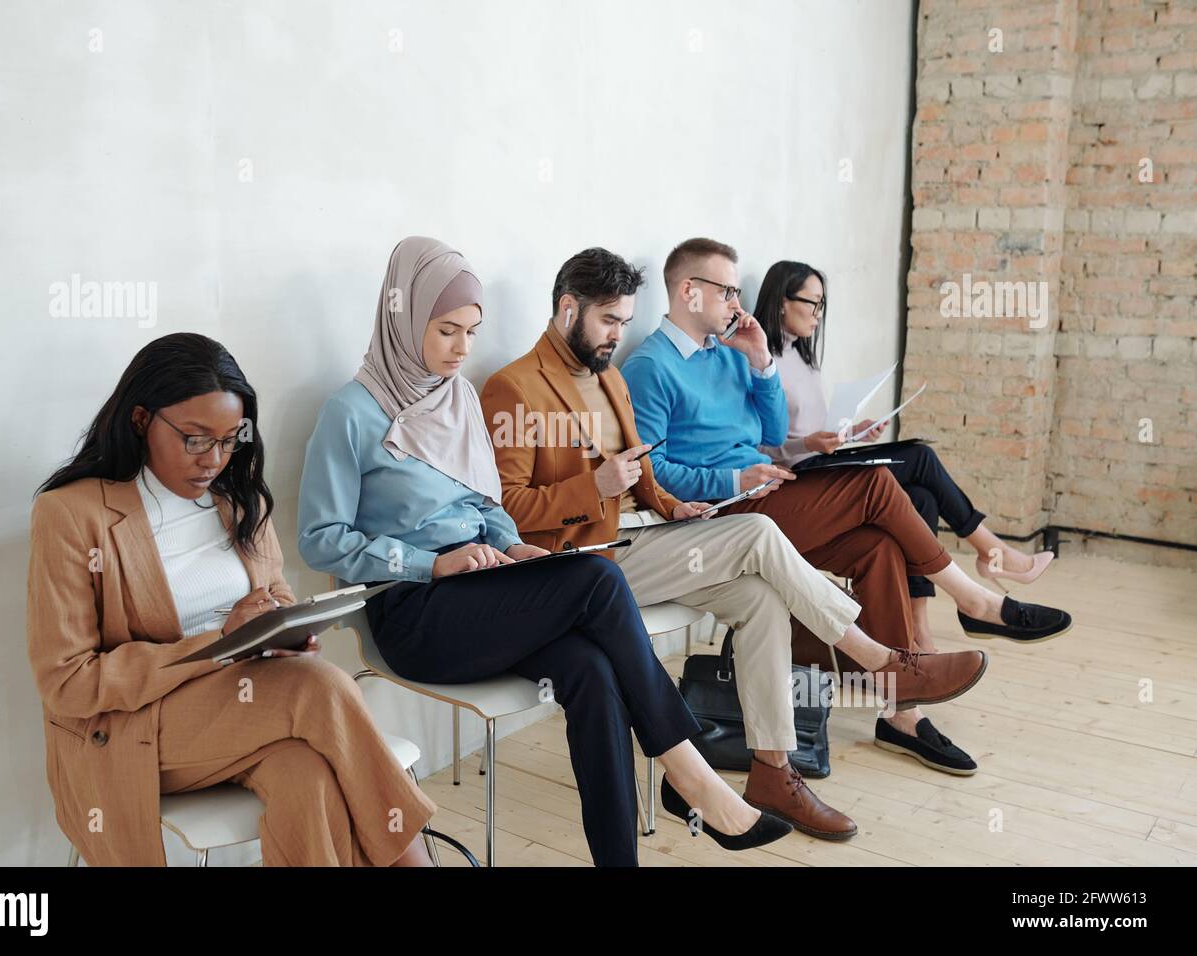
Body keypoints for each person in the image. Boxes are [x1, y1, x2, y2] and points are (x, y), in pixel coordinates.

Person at [296, 236, 791, 865]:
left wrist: (512, 546)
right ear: (401, 317)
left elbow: (484, 503)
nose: (462, 350)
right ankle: (690, 776)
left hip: (481, 588)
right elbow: (322, 540)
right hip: (412, 612)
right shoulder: (350, 414)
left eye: (472, 332)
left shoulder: (458, 398)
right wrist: (430, 563)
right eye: (447, 331)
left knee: (591, 668)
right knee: (596, 579)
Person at [479, 246, 991, 837]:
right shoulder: (512, 387)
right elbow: (507, 511)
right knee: (758, 531)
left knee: (761, 600)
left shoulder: (609, 377)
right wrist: (591, 486)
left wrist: (675, 506)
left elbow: (644, 472)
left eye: (624, 321)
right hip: (578, 565)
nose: (619, 334)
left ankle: (774, 772)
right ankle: (882, 661)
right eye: (608, 321)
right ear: (568, 309)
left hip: (645, 538)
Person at [623, 238, 1073, 775]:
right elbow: (653, 473)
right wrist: (733, 476)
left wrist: (762, 359)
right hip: (723, 514)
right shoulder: (650, 366)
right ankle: (975, 601)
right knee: (878, 483)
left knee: (878, 546)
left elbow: (768, 432)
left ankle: (901, 714)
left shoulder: (729, 353)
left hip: (771, 493)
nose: (736, 302)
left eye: (737, 290)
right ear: (689, 291)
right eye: (726, 290)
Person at [27, 332, 436, 867]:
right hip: (136, 727)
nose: (213, 460)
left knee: (307, 775)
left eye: (228, 440)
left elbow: (277, 598)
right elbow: (68, 683)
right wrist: (218, 644)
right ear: (141, 420)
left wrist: (287, 636)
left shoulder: (239, 500)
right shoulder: (72, 514)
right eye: (195, 439)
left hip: (252, 704)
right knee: (320, 688)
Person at [757, 259, 1060, 651]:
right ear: (782, 301)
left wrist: (854, 431)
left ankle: (919, 631)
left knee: (922, 499)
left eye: (822, 305)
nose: (818, 314)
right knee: (920, 457)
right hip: (800, 478)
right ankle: (991, 551)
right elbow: (765, 443)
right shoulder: (762, 360)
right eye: (811, 303)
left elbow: (815, 429)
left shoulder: (803, 356)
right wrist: (808, 445)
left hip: (823, 462)